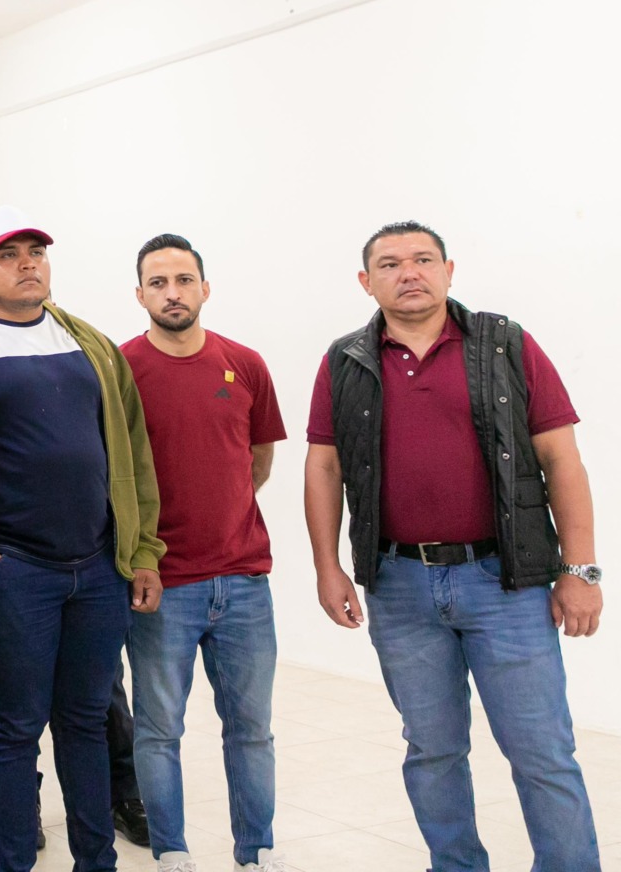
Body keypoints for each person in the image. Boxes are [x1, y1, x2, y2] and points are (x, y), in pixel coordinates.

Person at [304, 221, 603, 872]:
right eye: (390, 263)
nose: (408, 272)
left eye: (422, 259)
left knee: (541, 751)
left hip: (506, 582)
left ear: (449, 270)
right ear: (366, 281)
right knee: (432, 750)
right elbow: (324, 468)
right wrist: (328, 567)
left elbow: (563, 460)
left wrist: (580, 569)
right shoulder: (344, 361)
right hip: (400, 586)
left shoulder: (505, 344)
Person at [0, 205, 164, 872]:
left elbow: (132, 452)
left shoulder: (89, 342)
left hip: (99, 567)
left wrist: (139, 553)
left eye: (36, 251)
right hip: (9, 567)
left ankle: (95, 861)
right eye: (7, 254)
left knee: (87, 721)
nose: (27, 263)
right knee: (18, 725)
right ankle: (16, 862)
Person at [119, 235, 288, 872]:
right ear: (140, 295)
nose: (172, 292)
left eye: (184, 280)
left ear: (205, 288)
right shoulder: (119, 368)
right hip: (160, 583)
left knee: (252, 729)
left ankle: (257, 851)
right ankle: (172, 851)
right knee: (159, 730)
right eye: (157, 283)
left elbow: (259, 458)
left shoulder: (244, 364)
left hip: (245, 580)